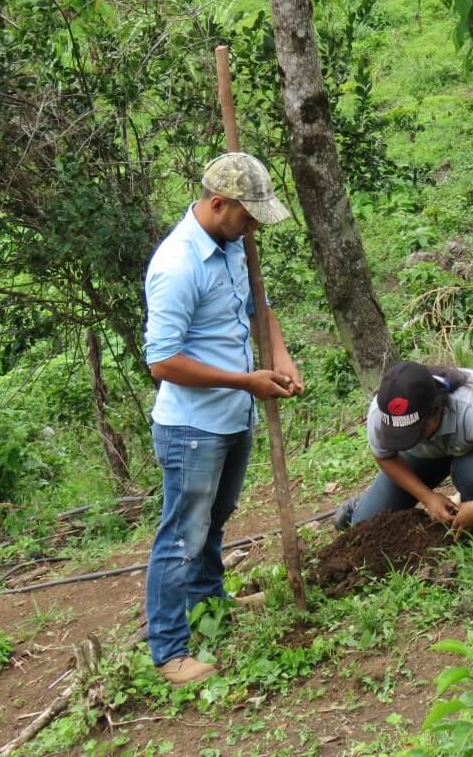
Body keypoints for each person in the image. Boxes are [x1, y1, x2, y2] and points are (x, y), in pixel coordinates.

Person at [143, 152, 303, 687]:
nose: (254, 226)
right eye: (248, 215)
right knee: (181, 536)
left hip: (234, 414)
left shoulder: (232, 245)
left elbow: (259, 306)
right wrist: (245, 380)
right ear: (218, 204)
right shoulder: (177, 265)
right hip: (193, 426)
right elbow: (161, 361)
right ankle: (169, 652)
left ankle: (211, 604)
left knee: (216, 517)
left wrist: (278, 357)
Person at [334, 362, 473, 534]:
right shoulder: (382, 414)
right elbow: (385, 456)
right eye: (401, 435)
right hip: (429, 455)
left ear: (436, 411)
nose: (409, 439)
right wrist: (428, 498)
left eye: (414, 432)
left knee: (471, 473)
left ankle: (472, 517)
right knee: (364, 525)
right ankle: (361, 504)